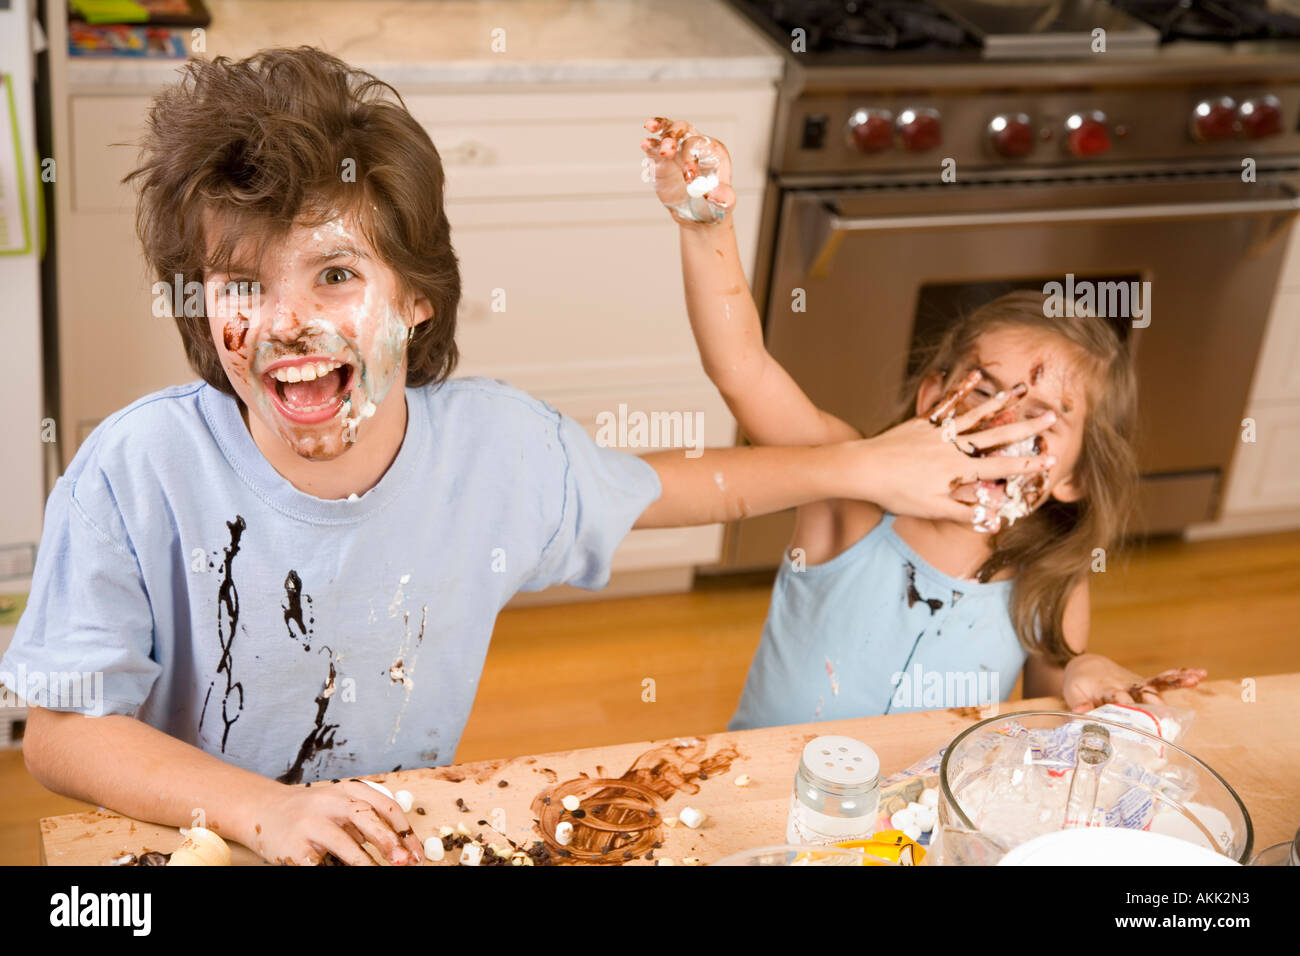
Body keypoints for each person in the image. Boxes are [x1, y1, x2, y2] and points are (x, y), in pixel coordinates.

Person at [0, 50, 1051, 867]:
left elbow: (690, 486)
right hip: (199, 837)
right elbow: (59, 734)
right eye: (241, 284)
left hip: (393, 836)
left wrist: (858, 467)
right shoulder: (133, 472)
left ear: (416, 297)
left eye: (332, 274)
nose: (286, 321)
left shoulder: (492, 451)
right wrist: (265, 811)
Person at [641, 116, 1182, 731]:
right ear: (931, 399)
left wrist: (1086, 671)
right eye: (982, 391)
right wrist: (705, 223)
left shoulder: (1051, 580)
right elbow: (740, 369)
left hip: (922, 820)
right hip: (776, 800)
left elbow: (1054, 699)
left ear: (1075, 477)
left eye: (1038, 417)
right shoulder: (848, 493)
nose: (1000, 424)